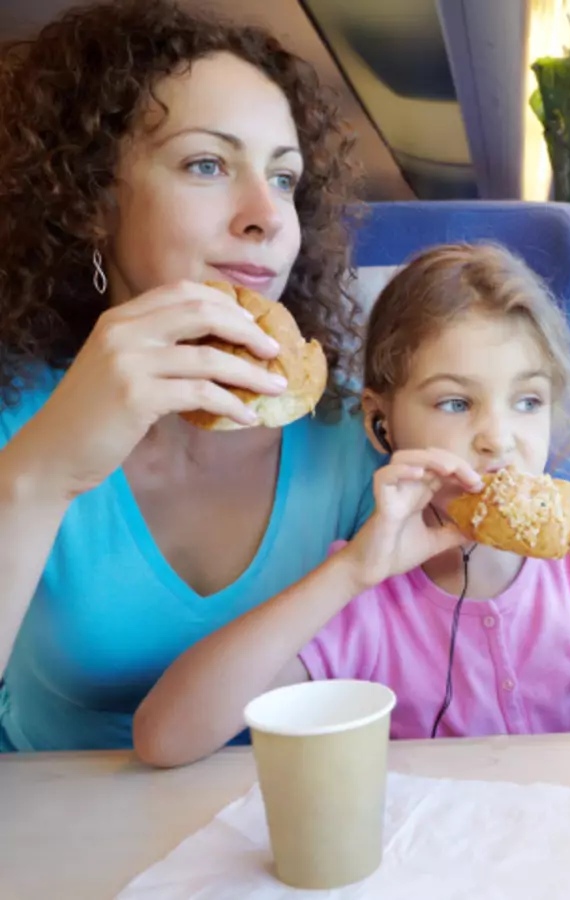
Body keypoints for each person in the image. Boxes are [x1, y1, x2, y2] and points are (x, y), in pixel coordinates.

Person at [0, 0, 385, 752]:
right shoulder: (16, 415)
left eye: (283, 178)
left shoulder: (353, 435)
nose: (265, 217)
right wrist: (40, 475)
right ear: (91, 199)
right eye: (206, 164)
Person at [133, 244, 570, 768]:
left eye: (527, 402)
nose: (499, 439)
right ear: (383, 421)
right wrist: (352, 572)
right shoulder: (367, 593)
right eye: (455, 402)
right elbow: (165, 738)